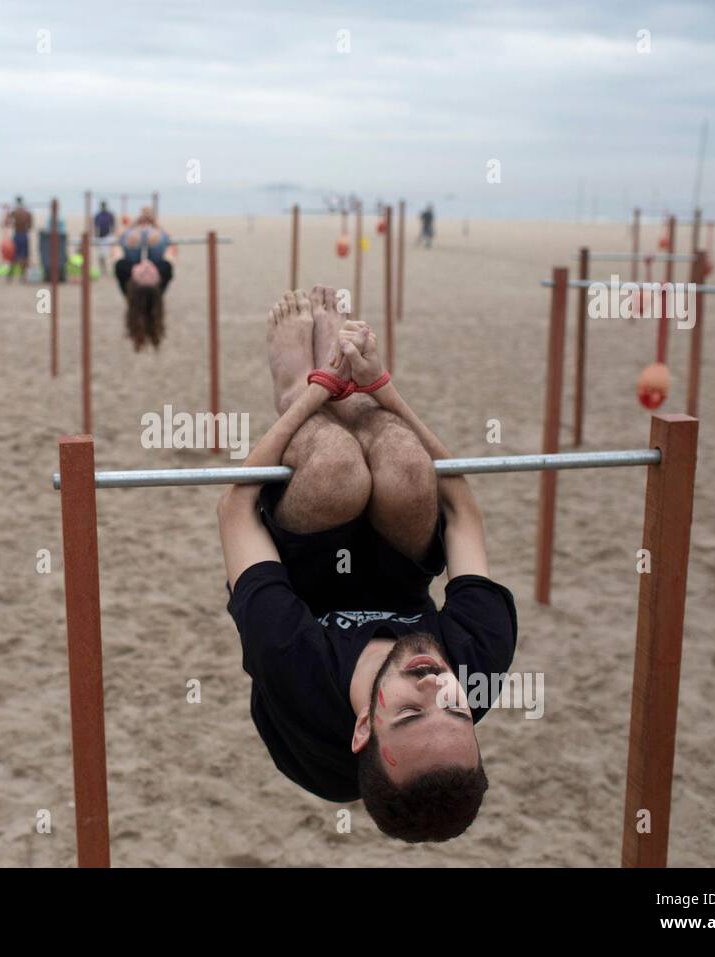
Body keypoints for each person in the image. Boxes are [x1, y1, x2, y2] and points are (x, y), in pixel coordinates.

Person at [217, 286, 517, 843]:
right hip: (395, 583)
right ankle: (352, 397)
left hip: (307, 588)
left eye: (409, 713)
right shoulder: (477, 664)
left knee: (334, 469)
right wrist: (382, 389)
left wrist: (307, 397)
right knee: (406, 465)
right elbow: (462, 509)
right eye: (457, 713)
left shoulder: (292, 663)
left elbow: (236, 507)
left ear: (362, 727)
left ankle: (298, 386)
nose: (435, 687)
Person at [112, 207, 173, 350]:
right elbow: (171, 248)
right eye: (149, 273)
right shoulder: (162, 272)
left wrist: (132, 225)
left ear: (133, 282)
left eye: (142, 273)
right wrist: (155, 224)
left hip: (131, 249)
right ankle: (146, 232)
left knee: (133, 239)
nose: (145, 266)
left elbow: (115, 249)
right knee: (154, 239)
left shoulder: (125, 272)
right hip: (154, 248)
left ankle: (140, 233)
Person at [6, 196, 33, 283]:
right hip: (24, 235)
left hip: (17, 234)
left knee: (14, 256)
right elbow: (30, 226)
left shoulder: (15, 212)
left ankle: (10, 276)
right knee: (24, 256)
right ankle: (22, 276)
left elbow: (7, 222)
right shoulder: (27, 213)